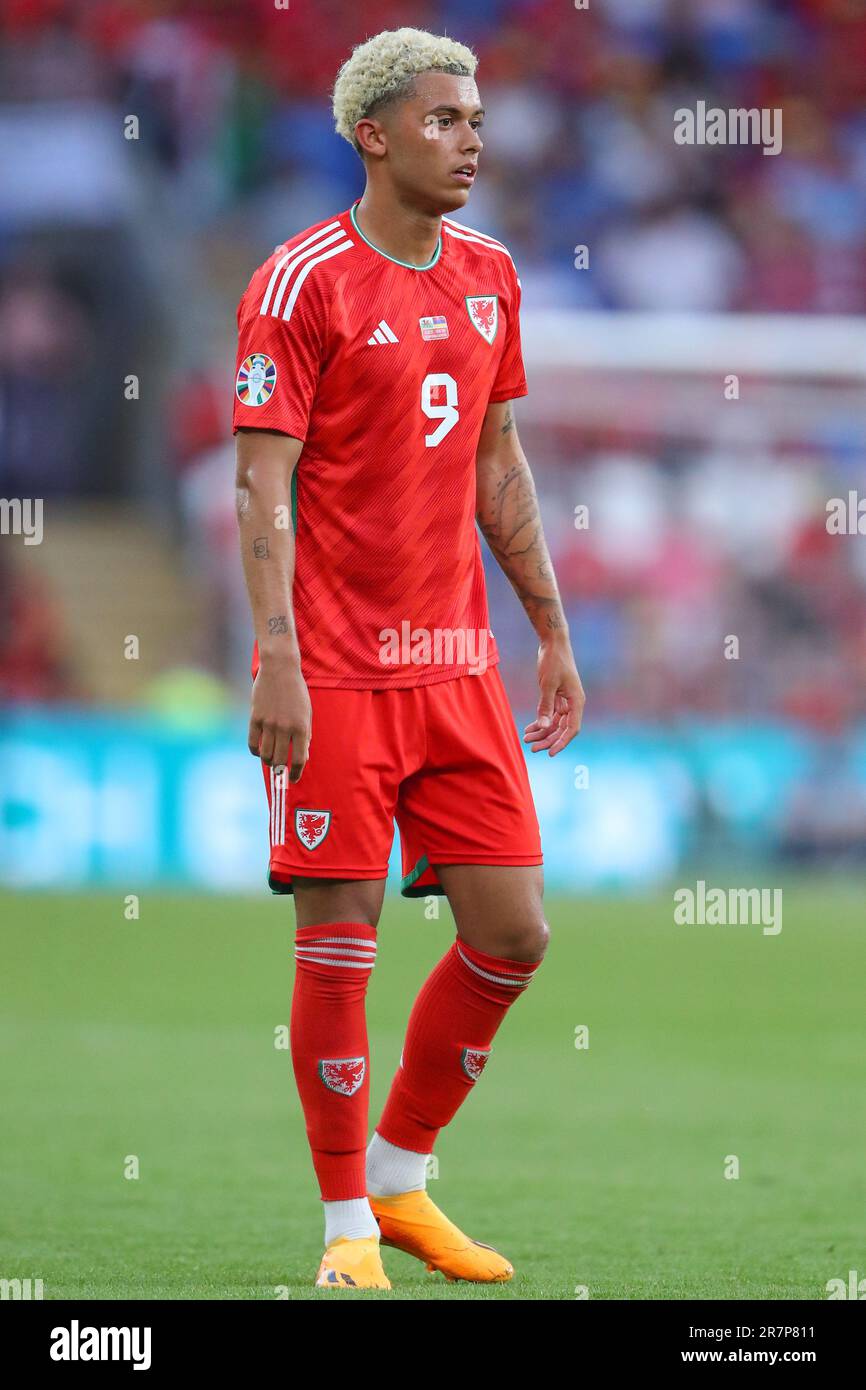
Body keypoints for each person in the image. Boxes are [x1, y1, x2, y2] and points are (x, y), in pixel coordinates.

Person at [233, 27, 585, 1290]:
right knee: (340, 942)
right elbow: (257, 487)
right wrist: (275, 653)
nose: (471, 139)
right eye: (443, 120)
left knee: (514, 932)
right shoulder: (300, 284)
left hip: (458, 668)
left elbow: (496, 465)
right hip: (331, 673)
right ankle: (341, 1230)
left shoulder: (489, 273)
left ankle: (399, 1180)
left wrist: (546, 630)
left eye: (477, 118)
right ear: (373, 135)